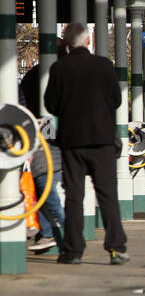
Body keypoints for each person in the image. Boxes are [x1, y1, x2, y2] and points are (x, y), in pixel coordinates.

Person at [43, 23, 128, 265]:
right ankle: (116, 248)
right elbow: (116, 99)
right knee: (108, 196)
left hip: (72, 143)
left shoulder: (60, 68)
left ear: (67, 44)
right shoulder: (104, 66)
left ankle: (73, 250)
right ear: (89, 41)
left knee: (73, 197)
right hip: (102, 141)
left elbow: (50, 105)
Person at [19, 67, 64, 255]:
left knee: (46, 192)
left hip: (40, 146)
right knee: (44, 192)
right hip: (46, 144)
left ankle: (66, 232)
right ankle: (48, 233)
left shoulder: (35, 79)